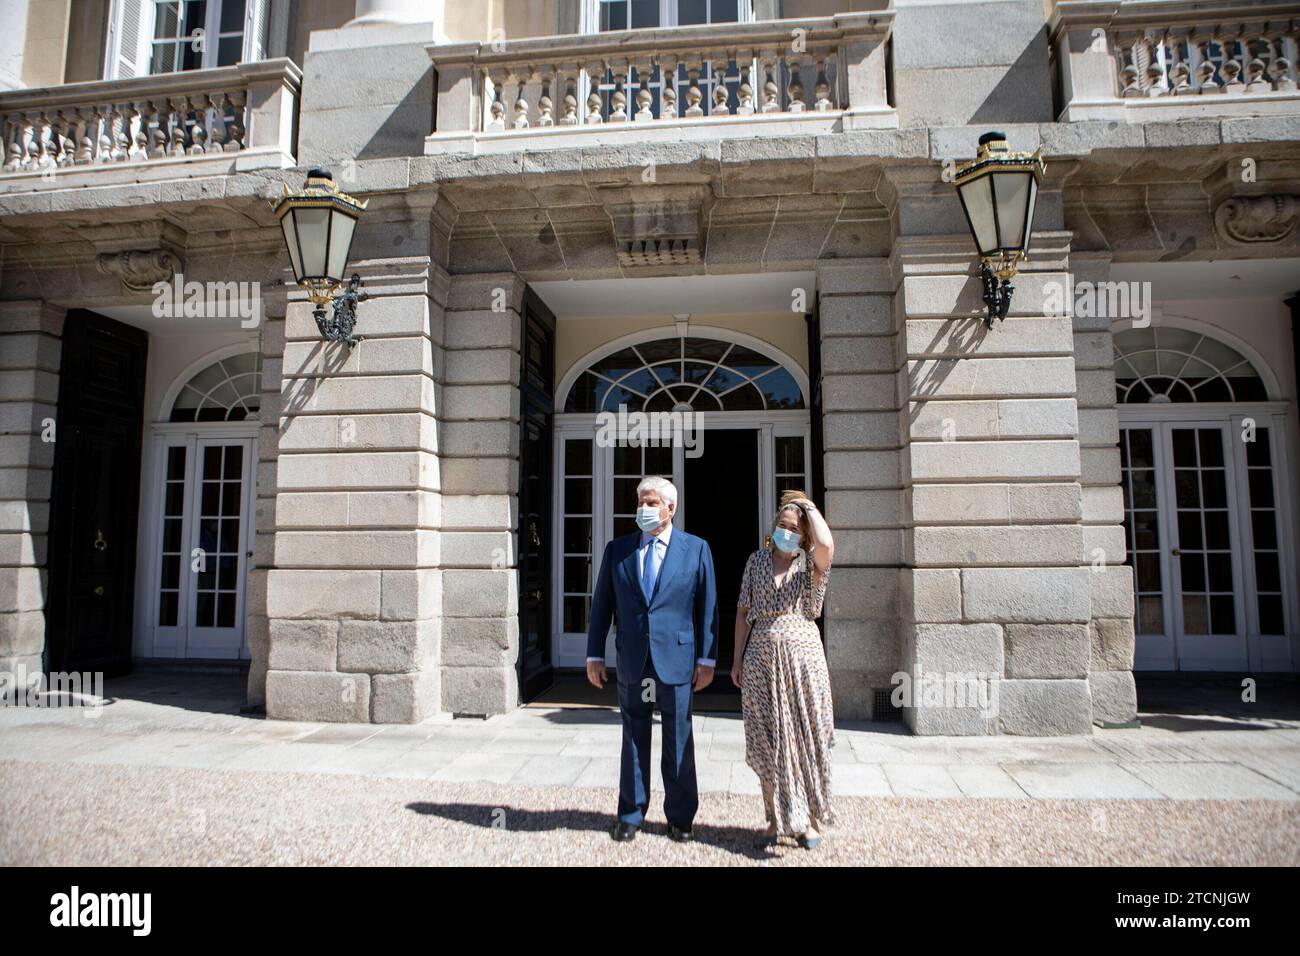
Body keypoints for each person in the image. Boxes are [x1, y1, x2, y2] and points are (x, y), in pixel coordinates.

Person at [586, 476, 719, 843]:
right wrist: (594, 653)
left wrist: (707, 660)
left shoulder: (696, 549)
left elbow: (708, 607)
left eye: (651, 502)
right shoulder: (618, 550)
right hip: (633, 658)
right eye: (640, 502)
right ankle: (630, 814)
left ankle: (680, 817)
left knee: (678, 738)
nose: (643, 509)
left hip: (676, 658)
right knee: (633, 735)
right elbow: (602, 605)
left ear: (670, 508)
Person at [731, 489, 836, 850]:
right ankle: (775, 818)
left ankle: (806, 820)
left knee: (806, 736)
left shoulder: (811, 565)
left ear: (804, 534)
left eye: (794, 528)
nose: (786, 532)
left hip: (803, 660)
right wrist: (736, 659)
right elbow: (744, 612)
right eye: (782, 524)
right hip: (761, 657)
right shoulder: (756, 562)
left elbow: (826, 542)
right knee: (768, 739)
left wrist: (806, 506)